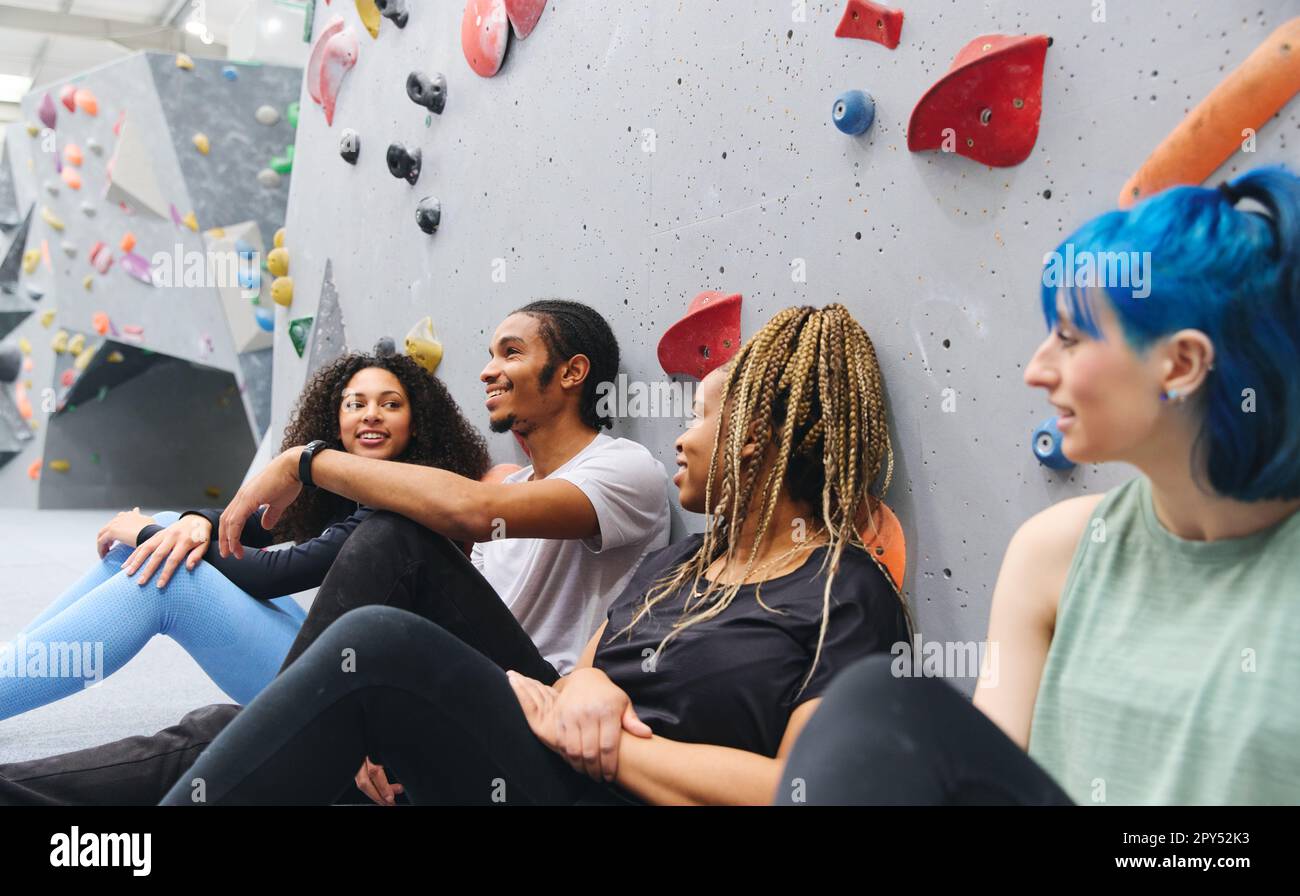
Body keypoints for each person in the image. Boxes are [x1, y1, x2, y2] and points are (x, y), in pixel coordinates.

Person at [153, 304, 913, 806]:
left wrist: (597, 738)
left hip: (605, 788)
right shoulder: (675, 569)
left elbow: (810, 790)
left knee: (371, 646)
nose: (680, 437)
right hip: (544, 759)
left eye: (699, 417)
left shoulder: (844, 594)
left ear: (755, 439)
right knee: (216, 731)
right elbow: (582, 673)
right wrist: (577, 689)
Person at [0, 299, 671, 805]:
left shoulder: (624, 470)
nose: (488, 369)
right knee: (210, 732)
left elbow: (467, 514)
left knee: (192, 577)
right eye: (355, 404)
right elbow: (261, 537)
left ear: (573, 372)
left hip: (526, 710)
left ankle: (320, 716)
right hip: (430, 676)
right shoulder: (501, 481)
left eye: (511, 353)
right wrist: (190, 522)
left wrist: (305, 460)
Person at [778, 166, 1300, 806]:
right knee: (870, 704)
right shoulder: (1056, 551)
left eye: (1071, 338)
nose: (1036, 370)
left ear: (1182, 364)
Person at [0, 348, 489, 719]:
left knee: (169, 572)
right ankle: (13, 663)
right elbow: (248, 526)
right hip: (344, 654)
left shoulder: (404, 501)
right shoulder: (341, 488)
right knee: (174, 533)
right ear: (334, 419)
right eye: (355, 403)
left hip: (369, 696)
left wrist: (147, 531)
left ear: (416, 422)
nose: (370, 415)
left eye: (390, 404)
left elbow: (276, 574)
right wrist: (189, 521)